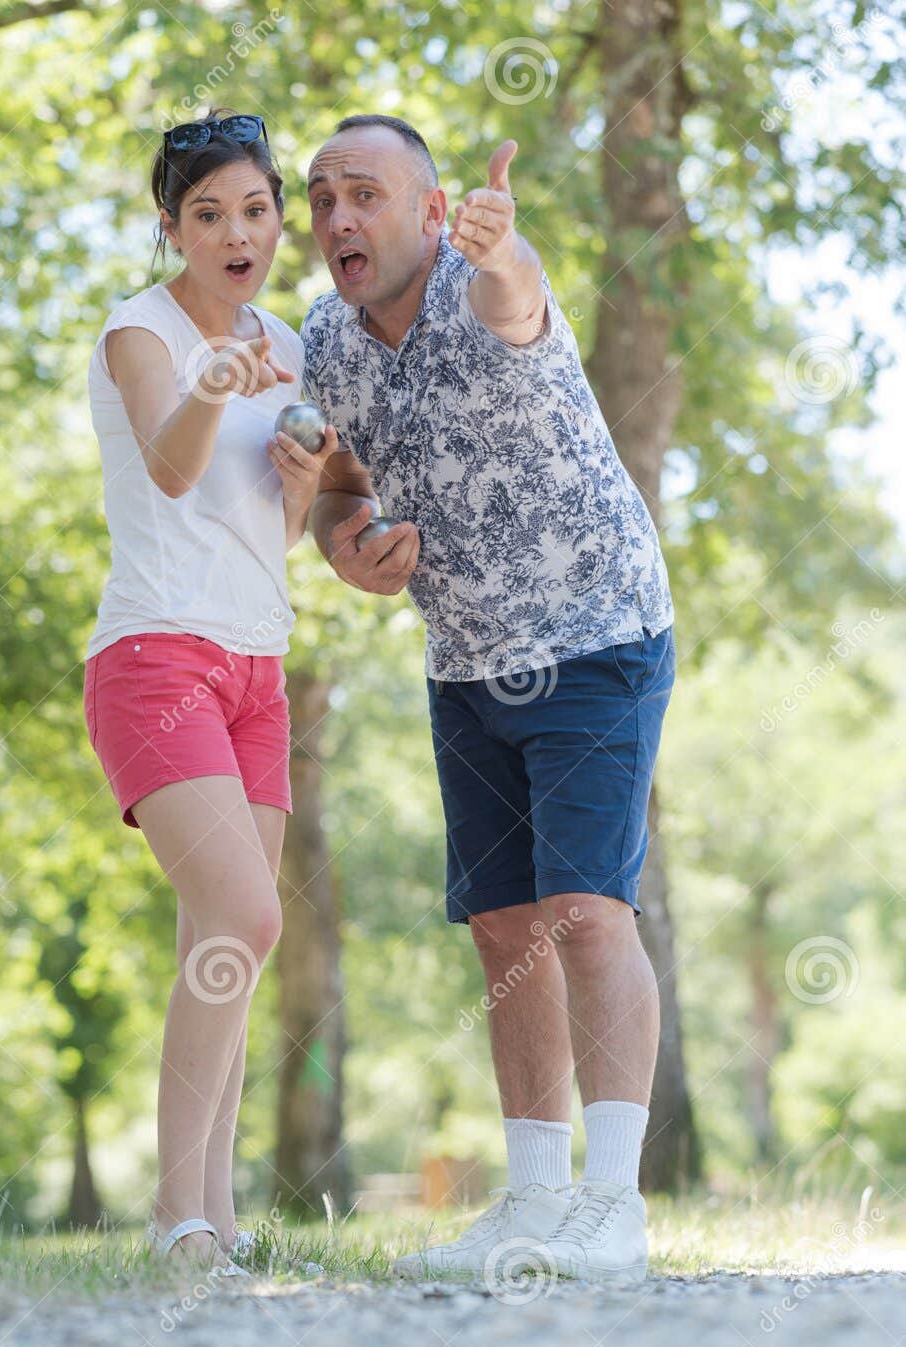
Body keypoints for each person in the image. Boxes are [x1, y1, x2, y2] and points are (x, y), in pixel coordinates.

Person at [300, 115, 676, 1286]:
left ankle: (613, 1207)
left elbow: (519, 299)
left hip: (598, 630)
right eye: (319, 200)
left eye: (363, 194)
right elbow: (340, 482)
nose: (335, 220)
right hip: (466, 660)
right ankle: (533, 1203)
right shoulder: (326, 338)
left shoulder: (484, 279)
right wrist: (344, 544)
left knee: (586, 912)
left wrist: (503, 246)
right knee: (505, 927)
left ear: (428, 213)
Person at [84, 110, 336, 1271]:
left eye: (255, 209)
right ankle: (175, 1215)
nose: (237, 234)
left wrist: (299, 481)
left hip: (256, 669)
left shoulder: (289, 337)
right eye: (207, 214)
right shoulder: (139, 333)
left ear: (278, 213)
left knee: (222, 946)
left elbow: (262, 530)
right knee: (244, 919)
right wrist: (214, 381)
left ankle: (215, 1221)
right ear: (172, 229)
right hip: (154, 661)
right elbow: (173, 466)